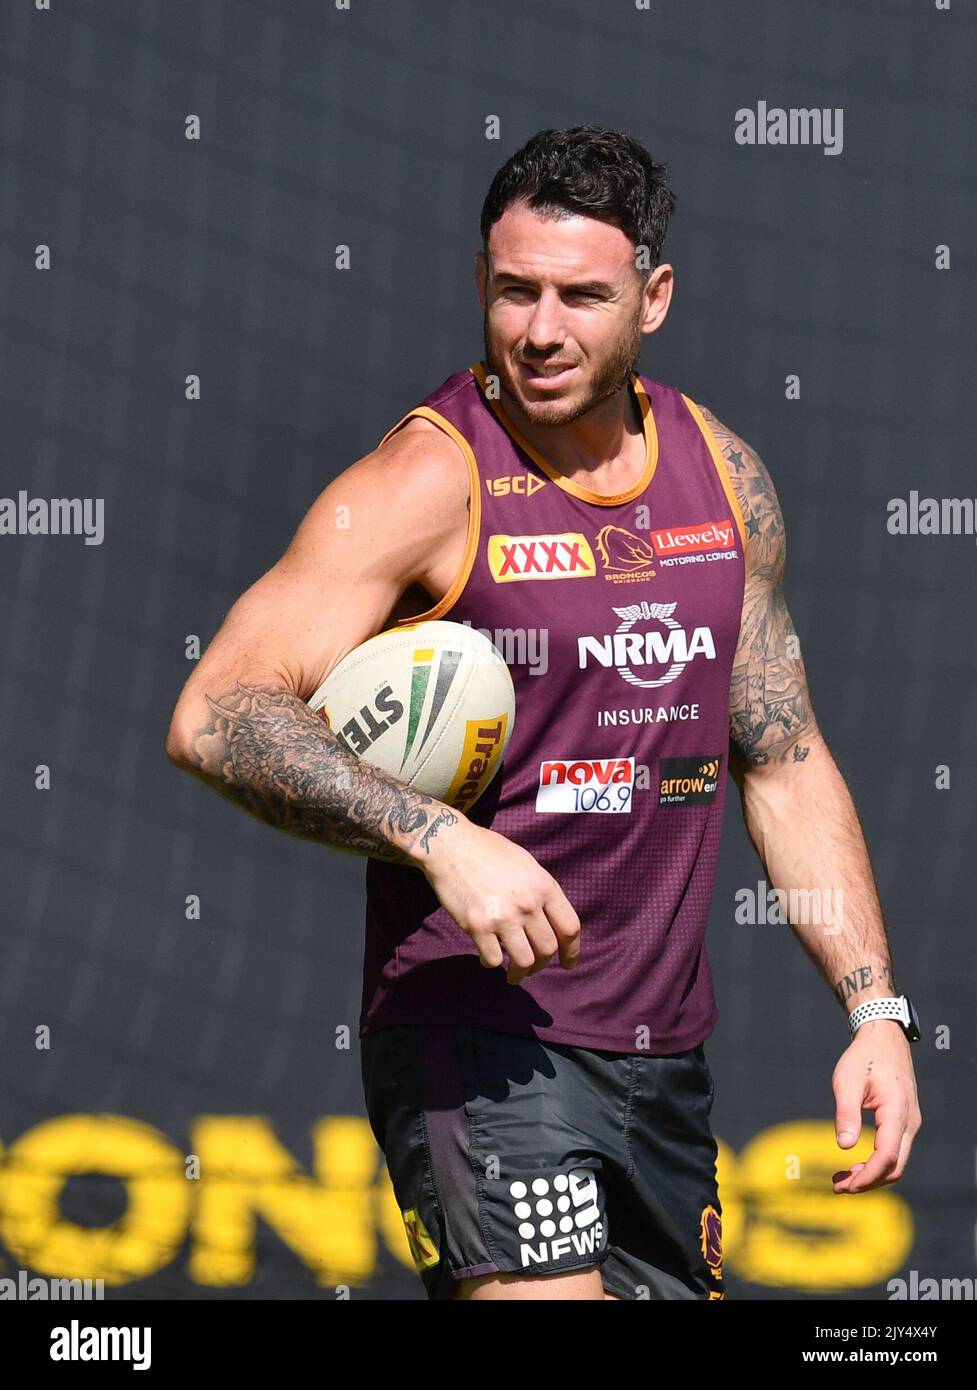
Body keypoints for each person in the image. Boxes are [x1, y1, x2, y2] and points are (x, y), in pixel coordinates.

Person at [165, 125, 922, 1301]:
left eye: (581, 295)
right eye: (514, 290)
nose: (540, 329)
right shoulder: (428, 479)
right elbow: (216, 711)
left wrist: (874, 1007)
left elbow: (781, 754)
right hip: (476, 1041)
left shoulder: (723, 476)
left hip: (661, 1059)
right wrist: (439, 837)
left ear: (653, 299)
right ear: (480, 282)